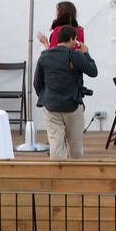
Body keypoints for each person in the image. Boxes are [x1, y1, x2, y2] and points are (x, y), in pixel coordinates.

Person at [33, 25, 98, 159]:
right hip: (72, 104)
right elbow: (93, 71)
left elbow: (37, 82)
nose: (76, 42)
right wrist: (86, 53)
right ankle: (75, 176)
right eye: (75, 39)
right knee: (75, 147)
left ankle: (58, 176)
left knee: (56, 145)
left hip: (51, 105)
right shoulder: (74, 55)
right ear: (70, 39)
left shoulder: (45, 56)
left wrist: (45, 98)